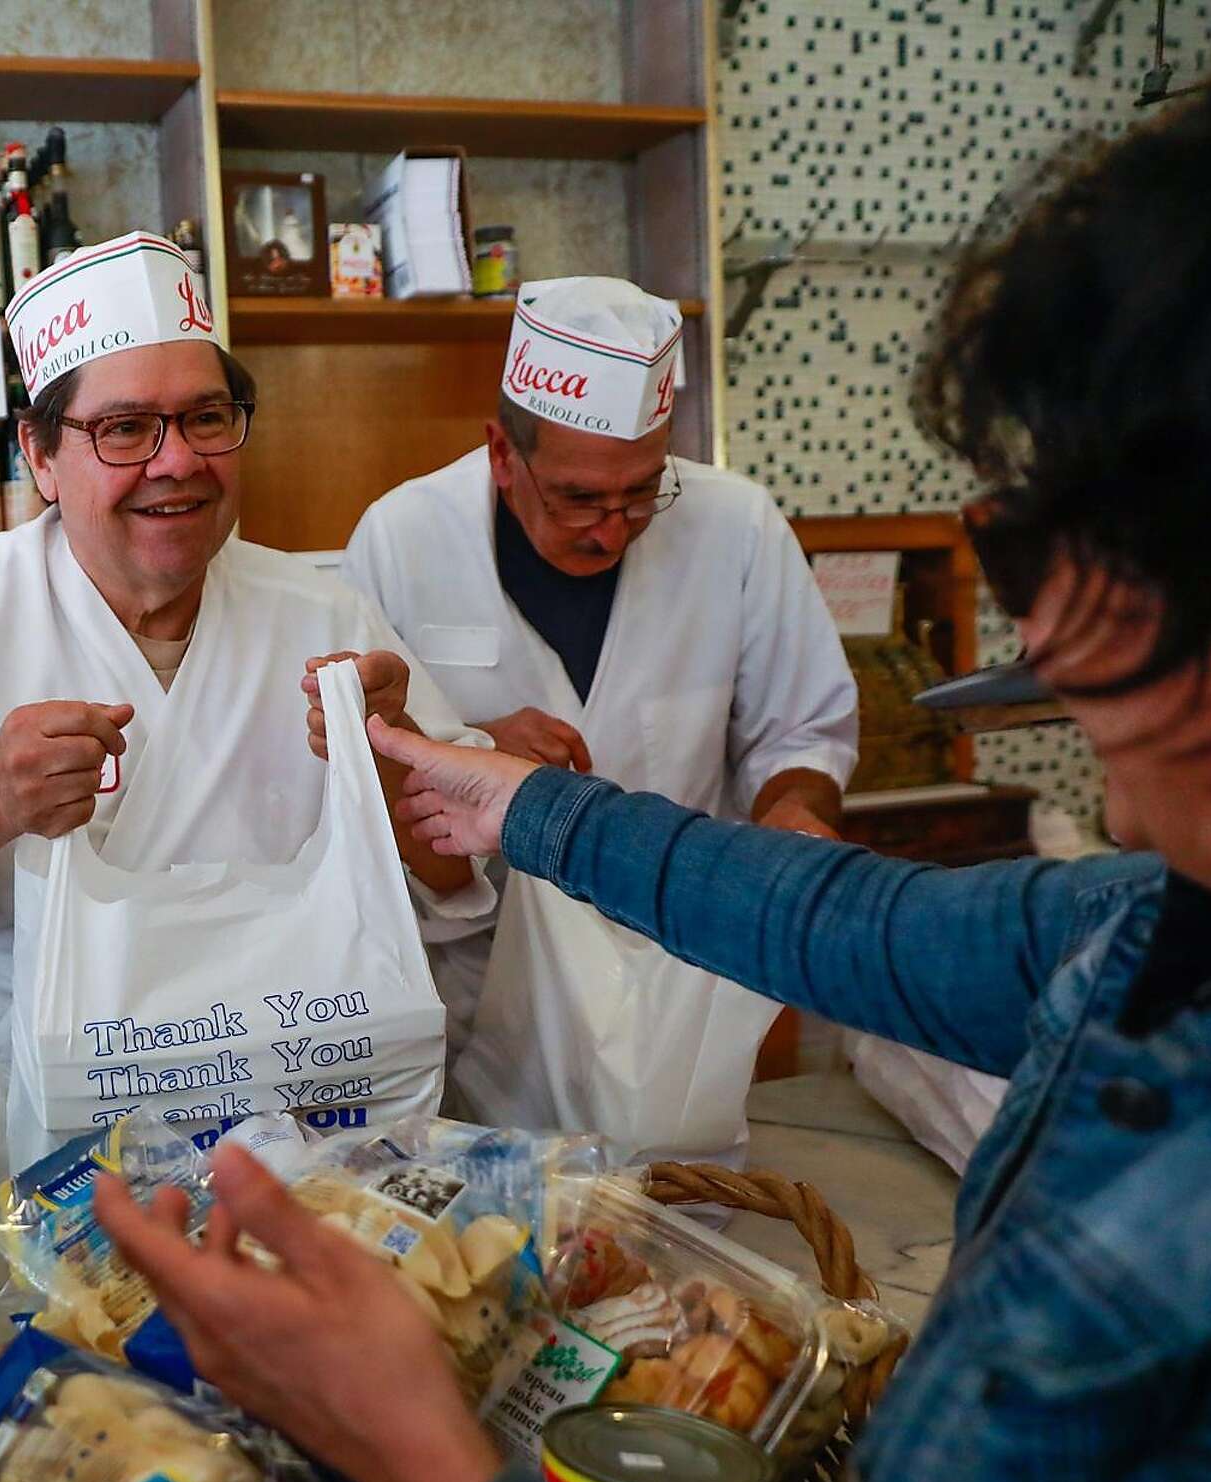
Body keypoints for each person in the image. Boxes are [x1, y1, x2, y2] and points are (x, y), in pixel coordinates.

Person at [96, 15, 1211, 1482]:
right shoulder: (1142, 932)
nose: (1046, 662)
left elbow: (803, 790)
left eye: (1043, 566)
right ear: (502, 458)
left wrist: (426, 1457)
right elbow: (851, 920)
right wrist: (518, 800)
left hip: (685, 1048)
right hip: (496, 1027)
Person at [0, 231, 493, 1211]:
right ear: (40, 455)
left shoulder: (322, 614)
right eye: (124, 430)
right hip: (11, 1134)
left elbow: (459, 882)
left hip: (290, 1132)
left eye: (206, 417)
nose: (178, 462)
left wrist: (397, 768)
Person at [339, 280, 856, 1140]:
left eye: (643, 494)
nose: (612, 531)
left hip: (681, 980)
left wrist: (796, 810)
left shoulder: (738, 527)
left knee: (689, 1218)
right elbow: (356, 769)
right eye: (578, 498)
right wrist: (472, 743)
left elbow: (801, 729)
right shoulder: (401, 538)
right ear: (503, 455)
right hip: (477, 992)